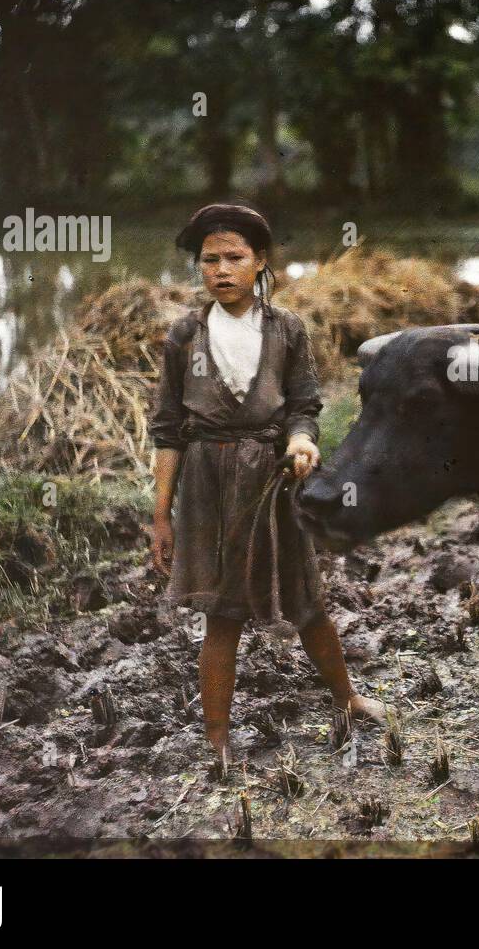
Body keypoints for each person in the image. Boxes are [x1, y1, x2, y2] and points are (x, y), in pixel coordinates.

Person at [149, 202, 385, 771]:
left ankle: (347, 699)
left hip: (272, 481)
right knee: (221, 613)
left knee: (305, 598)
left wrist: (301, 441)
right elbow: (167, 430)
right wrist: (161, 515)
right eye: (210, 260)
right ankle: (218, 738)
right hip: (207, 485)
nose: (221, 270)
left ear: (259, 262)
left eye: (234, 257)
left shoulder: (286, 329)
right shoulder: (184, 335)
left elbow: (304, 406)